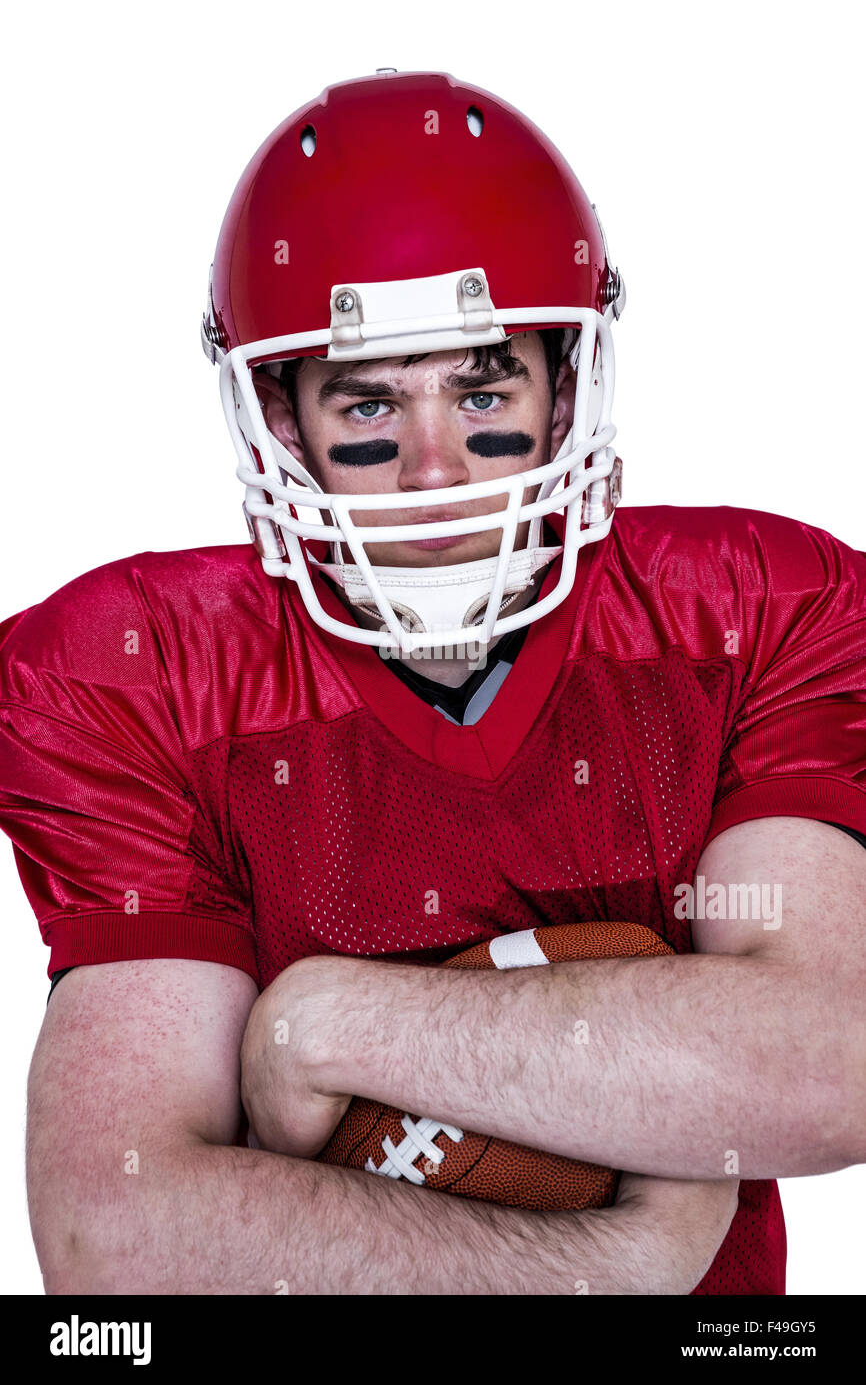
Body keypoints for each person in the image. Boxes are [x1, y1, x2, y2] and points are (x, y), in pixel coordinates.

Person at [1, 69, 863, 1296]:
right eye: (368, 404)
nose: (430, 472)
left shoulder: (753, 611)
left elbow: (833, 1061)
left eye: (480, 390)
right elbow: (118, 1231)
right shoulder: (138, 675)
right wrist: (604, 1267)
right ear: (281, 422)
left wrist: (327, 1025)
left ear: (564, 386)